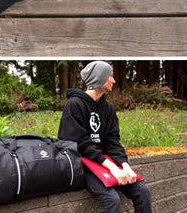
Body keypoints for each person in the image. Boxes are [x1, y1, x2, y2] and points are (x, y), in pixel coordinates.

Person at [58, 61, 152, 213]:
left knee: (143, 192)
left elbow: (113, 141)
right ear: (99, 78)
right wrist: (112, 168)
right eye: (110, 76)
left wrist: (125, 166)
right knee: (111, 200)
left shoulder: (108, 108)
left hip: (104, 162)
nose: (114, 80)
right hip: (83, 164)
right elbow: (81, 144)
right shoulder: (74, 105)